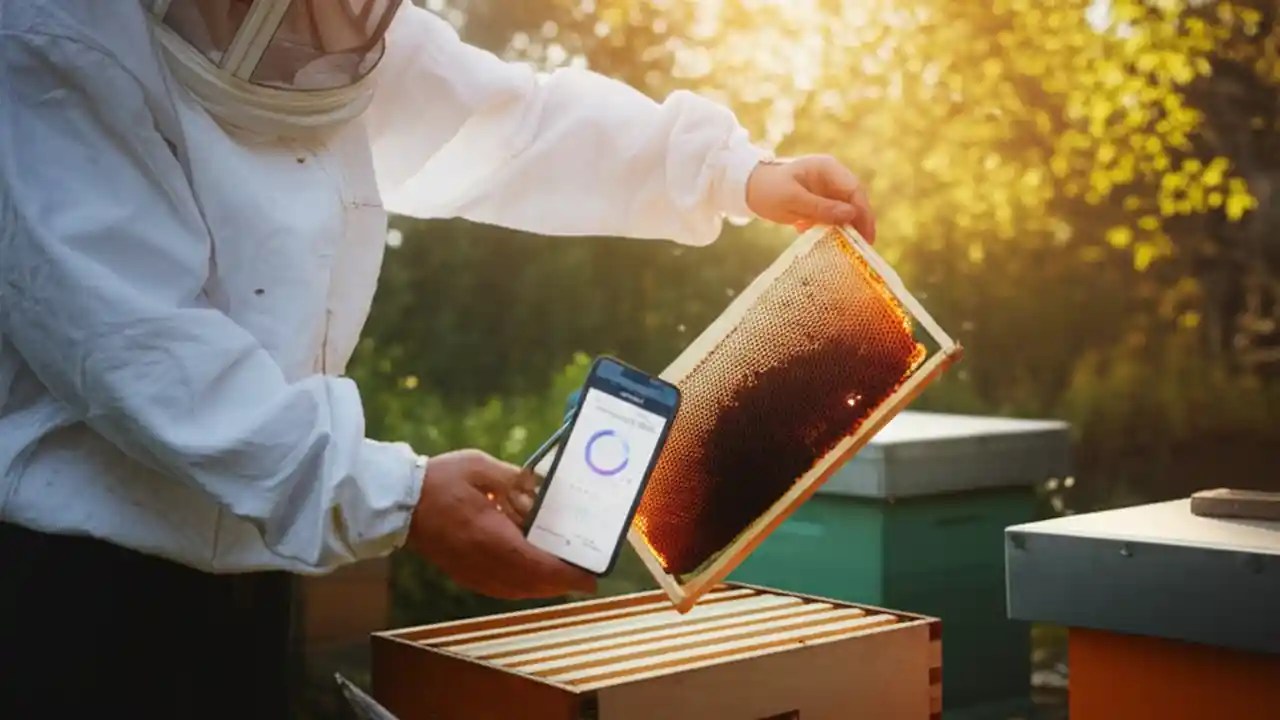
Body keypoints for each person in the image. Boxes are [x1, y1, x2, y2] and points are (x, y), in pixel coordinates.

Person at [0, 1, 876, 716]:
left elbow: (517, 126)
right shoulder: (50, 41)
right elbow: (147, 357)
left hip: (252, 571)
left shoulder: (335, 22)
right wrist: (400, 497)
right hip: (71, 599)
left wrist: (737, 172)